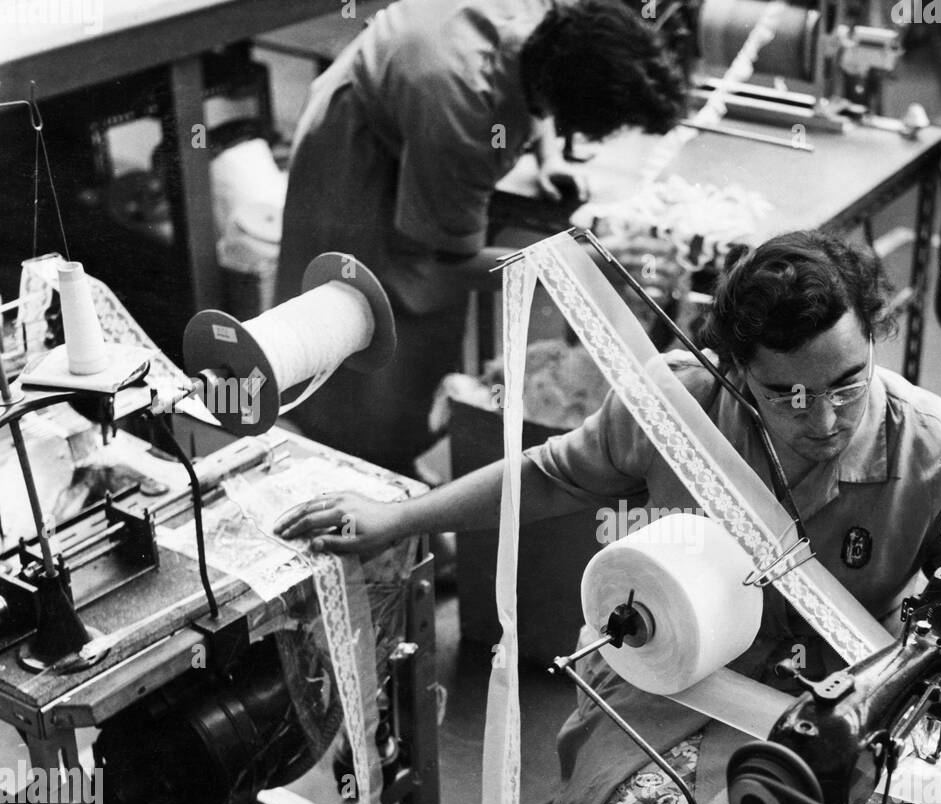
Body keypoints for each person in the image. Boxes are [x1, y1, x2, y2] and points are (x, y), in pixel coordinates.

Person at [274, 231, 941, 804]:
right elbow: (553, 473)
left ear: (874, 342)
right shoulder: (679, 408)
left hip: (831, 711)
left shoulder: (929, 452)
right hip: (676, 679)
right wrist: (402, 515)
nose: (826, 423)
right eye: (788, 398)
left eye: (848, 384)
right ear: (732, 371)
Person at [274, 0, 686, 475]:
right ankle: (361, 465)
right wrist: (572, 262)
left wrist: (549, 154)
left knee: (427, 334)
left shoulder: (554, 28)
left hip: (419, 106)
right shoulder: (458, 105)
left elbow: (548, 80)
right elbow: (445, 262)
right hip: (356, 152)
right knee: (372, 318)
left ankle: (398, 450)